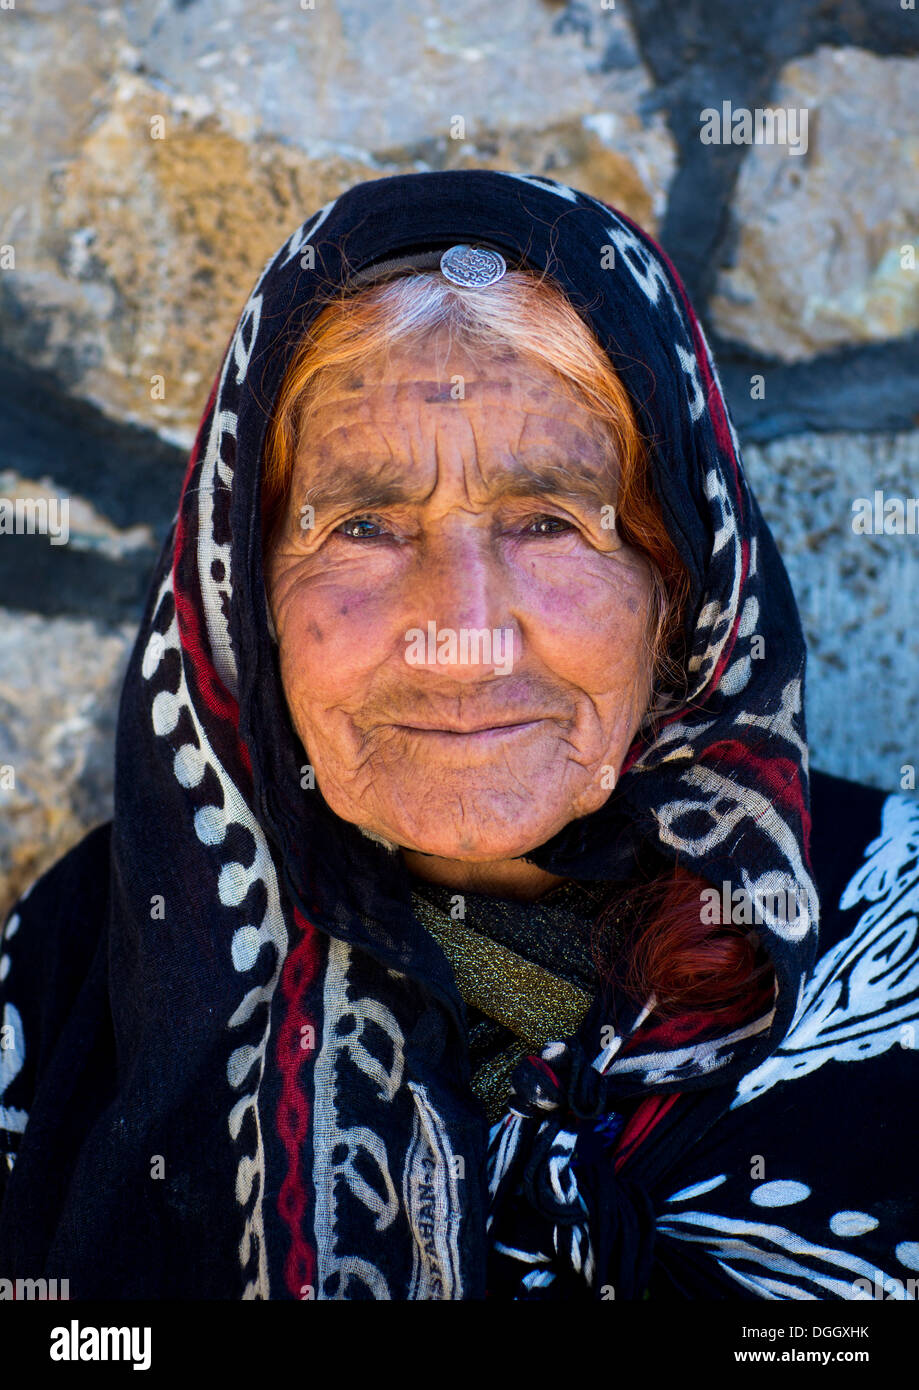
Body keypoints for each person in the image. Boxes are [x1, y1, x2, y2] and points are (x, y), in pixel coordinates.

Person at [1, 169, 916, 1301]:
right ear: (249, 599)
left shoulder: (898, 935)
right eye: (366, 524)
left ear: (681, 589)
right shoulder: (83, 962)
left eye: (549, 520)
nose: (463, 634)